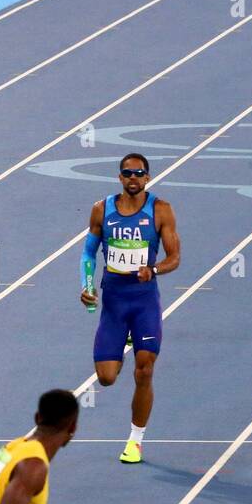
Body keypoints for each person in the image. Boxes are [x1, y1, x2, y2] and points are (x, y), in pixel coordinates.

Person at [79, 153, 180, 464]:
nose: (133, 178)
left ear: (147, 177)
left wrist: (156, 269)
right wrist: (87, 285)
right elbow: (88, 252)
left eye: (139, 173)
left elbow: (174, 256)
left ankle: (135, 440)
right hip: (114, 300)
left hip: (144, 299)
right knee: (106, 377)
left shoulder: (160, 210)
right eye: (127, 173)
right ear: (120, 178)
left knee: (144, 369)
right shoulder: (102, 209)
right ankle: (123, 338)